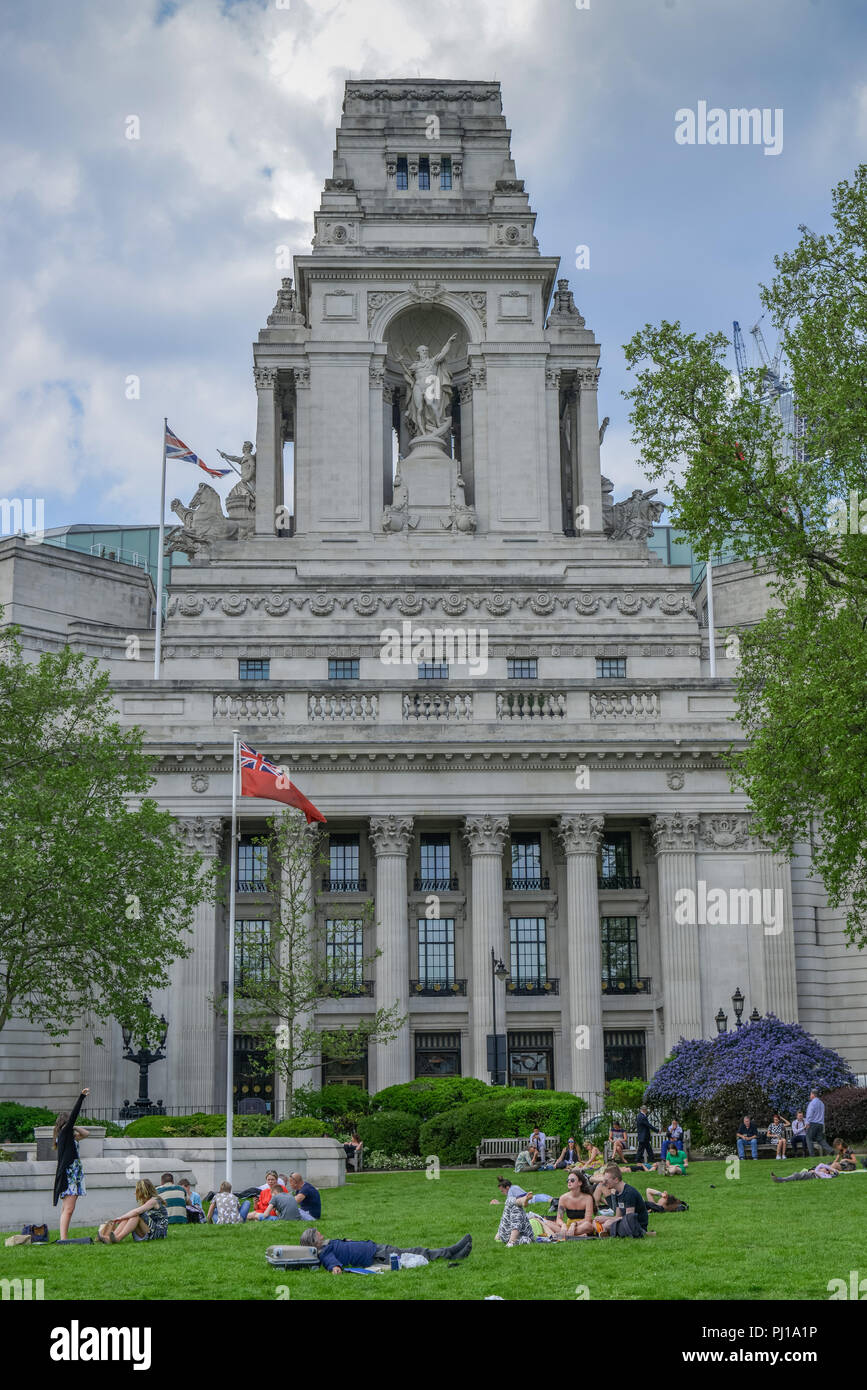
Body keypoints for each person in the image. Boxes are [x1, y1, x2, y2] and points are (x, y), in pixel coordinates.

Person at [300, 1226, 472, 1272]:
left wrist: (346, 1241)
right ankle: (451, 1252)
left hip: (375, 1249)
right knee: (415, 1252)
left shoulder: (326, 1246)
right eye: (317, 1233)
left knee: (412, 1251)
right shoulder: (324, 1253)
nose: (320, 1233)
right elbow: (331, 1263)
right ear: (314, 1241)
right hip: (377, 1255)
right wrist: (335, 1268)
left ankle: (454, 1254)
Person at [53, 1087, 91, 1241]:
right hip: (70, 1175)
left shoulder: (66, 1137)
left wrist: (73, 1126)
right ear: (66, 1123)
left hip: (72, 1174)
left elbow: (86, 1134)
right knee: (68, 1209)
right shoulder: (64, 1135)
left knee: (67, 1208)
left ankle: (64, 1238)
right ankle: (63, 1239)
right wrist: (81, 1097)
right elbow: (75, 1113)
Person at [98, 1180, 168, 1243]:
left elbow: (136, 1212)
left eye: (137, 1190)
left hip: (159, 1234)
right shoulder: (147, 1201)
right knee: (130, 1216)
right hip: (149, 1230)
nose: (135, 1193)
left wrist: (120, 1218)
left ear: (143, 1191)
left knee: (135, 1215)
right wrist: (123, 1218)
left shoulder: (154, 1200)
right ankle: (111, 1238)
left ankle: (118, 1238)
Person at [597, 1163, 651, 1237]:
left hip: (637, 1227)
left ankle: (606, 1231)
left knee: (608, 1223)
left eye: (606, 1180)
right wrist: (604, 1219)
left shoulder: (629, 1193)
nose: (604, 1183)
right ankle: (606, 1231)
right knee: (596, 1221)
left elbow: (629, 1218)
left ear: (616, 1180)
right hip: (625, 1223)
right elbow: (618, 1216)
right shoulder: (617, 1193)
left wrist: (607, 1219)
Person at [543, 1170, 597, 1238]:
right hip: (569, 1227)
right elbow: (559, 1219)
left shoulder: (587, 1198)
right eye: (567, 1180)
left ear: (580, 1183)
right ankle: (576, 1235)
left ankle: (566, 1235)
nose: (569, 1182)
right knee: (547, 1223)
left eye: (572, 1180)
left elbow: (587, 1219)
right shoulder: (563, 1198)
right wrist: (563, 1225)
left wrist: (574, 1224)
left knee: (588, 1225)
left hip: (582, 1225)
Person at [805, 1090, 833, 1155]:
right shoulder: (822, 1103)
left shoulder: (812, 1103)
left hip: (812, 1123)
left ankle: (812, 1155)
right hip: (820, 1124)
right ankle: (830, 1150)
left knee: (809, 1138)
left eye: (810, 1094)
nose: (810, 1096)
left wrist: (807, 1123)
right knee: (819, 1139)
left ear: (813, 1095)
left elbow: (810, 1113)